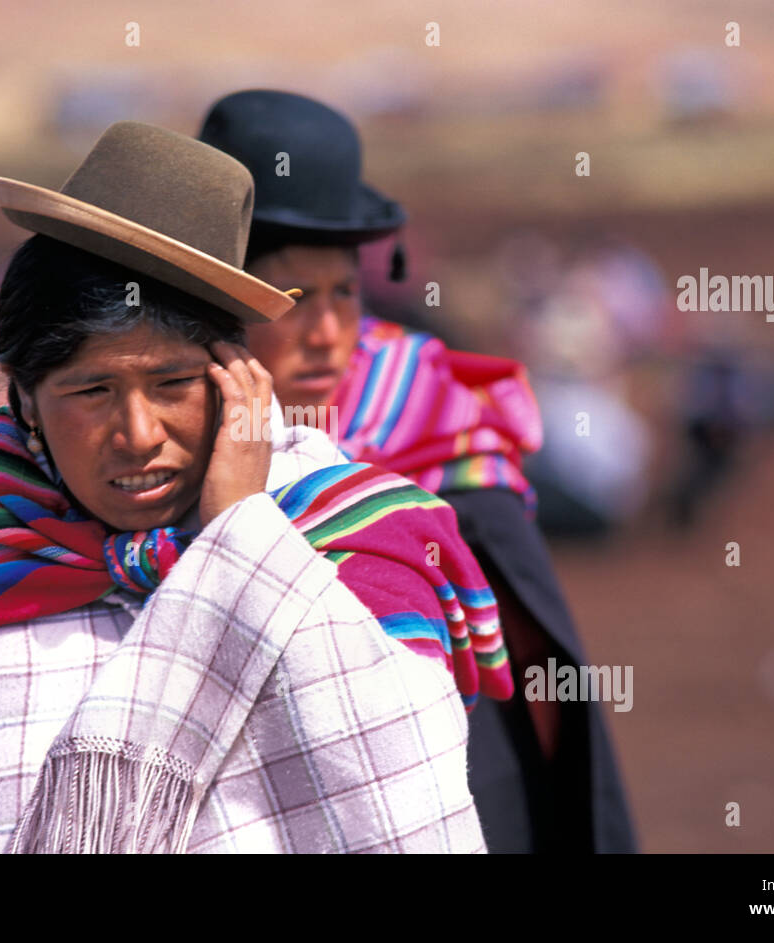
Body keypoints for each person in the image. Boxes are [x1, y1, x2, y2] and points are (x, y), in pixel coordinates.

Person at [0, 121, 515, 854]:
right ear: (28, 403)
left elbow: (404, 807)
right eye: (92, 390)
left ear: (240, 380)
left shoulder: (353, 548)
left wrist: (241, 529)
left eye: (173, 384)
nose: (136, 433)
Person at [198, 90, 637, 852]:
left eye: (346, 292)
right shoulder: (164, 443)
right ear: (218, 302)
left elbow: (535, 675)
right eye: (293, 298)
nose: (329, 333)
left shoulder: (436, 424)